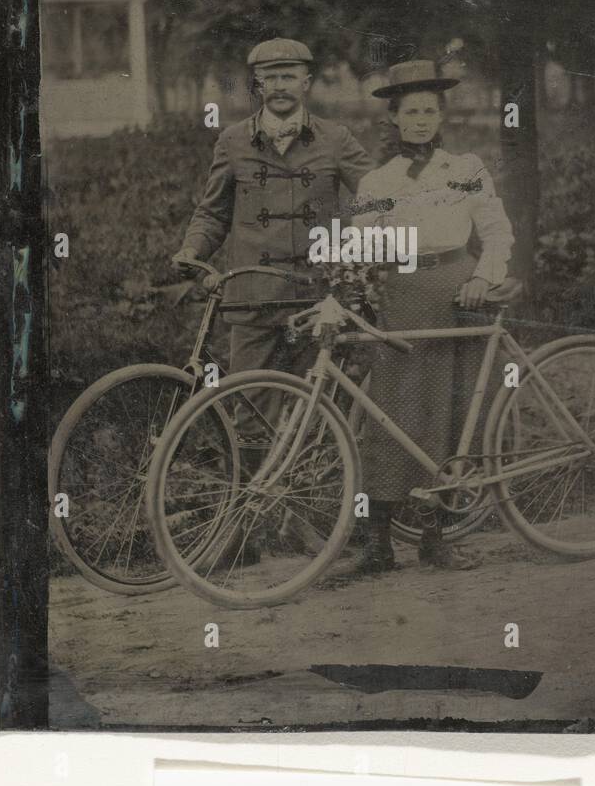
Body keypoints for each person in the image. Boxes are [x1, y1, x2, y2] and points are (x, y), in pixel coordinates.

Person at [351, 58, 514, 572]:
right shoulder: (378, 181)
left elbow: (496, 231)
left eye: (429, 111)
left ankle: (435, 535)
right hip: (404, 298)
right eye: (410, 111)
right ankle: (378, 543)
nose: (420, 120)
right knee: (394, 413)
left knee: (453, 413)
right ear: (394, 118)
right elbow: (362, 245)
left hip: (459, 293)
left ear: (441, 117)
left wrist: (481, 279)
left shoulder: (464, 170)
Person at [172, 37, 374, 402]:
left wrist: (359, 249)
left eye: (289, 76)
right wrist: (192, 248)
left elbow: (377, 197)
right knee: (251, 404)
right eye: (270, 77)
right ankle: (250, 460)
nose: (280, 86)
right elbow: (213, 211)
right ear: (258, 84)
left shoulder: (336, 138)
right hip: (253, 298)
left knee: (312, 409)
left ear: (306, 82)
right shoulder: (233, 141)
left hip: (314, 297)